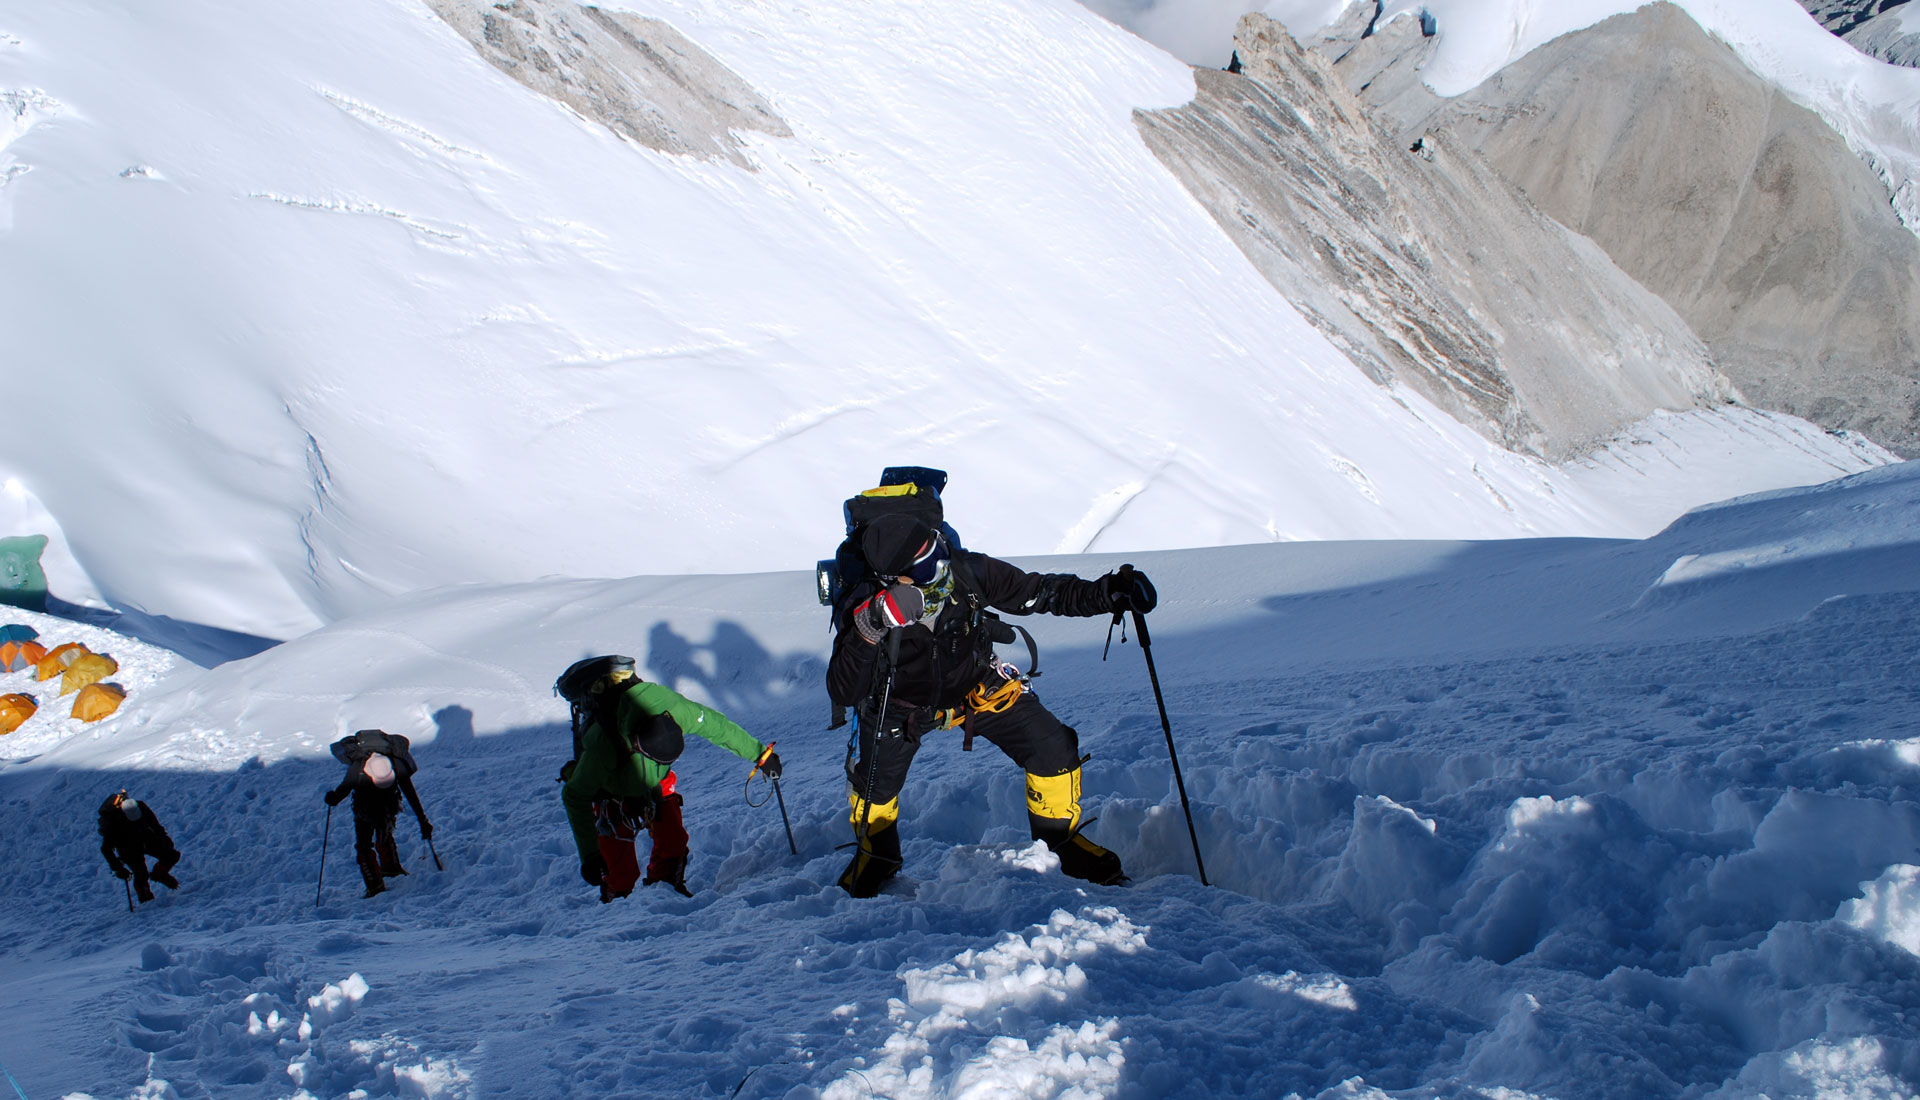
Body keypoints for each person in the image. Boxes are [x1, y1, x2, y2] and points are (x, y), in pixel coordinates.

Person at [828, 513, 1157, 896]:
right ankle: (877, 854)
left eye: (939, 549)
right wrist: (871, 626)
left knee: (1052, 747)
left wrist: (1107, 593)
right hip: (900, 706)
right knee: (875, 787)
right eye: (927, 564)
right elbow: (843, 690)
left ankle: (1061, 844)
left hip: (976, 685)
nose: (942, 565)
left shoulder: (966, 572)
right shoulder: (866, 605)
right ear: (895, 579)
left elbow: (1040, 592)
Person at [555, 655, 779, 903]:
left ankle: (665, 894)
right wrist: (590, 855)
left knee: (673, 844)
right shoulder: (603, 742)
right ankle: (617, 907)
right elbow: (574, 796)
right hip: (612, 793)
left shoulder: (674, 708)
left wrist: (761, 755)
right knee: (620, 873)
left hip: (655, 787)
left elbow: (717, 726)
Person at [324, 729, 432, 898]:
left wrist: (423, 821)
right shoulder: (359, 768)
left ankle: (375, 884)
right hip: (370, 805)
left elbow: (342, 791)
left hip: (377, 805)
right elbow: (345, 787)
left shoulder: (396, 765)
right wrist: (422, 820)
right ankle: (390, 869)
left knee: (365, 845)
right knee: (382, 832)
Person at [98, 790, 180, 903]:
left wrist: (164, 838)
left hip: (145, 838)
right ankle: (146, 898)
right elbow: (106, 848)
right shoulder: (114, 822)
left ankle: (159, 874)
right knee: (141, 873)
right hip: (127, 847)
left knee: (171, 855)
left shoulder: (141, 807)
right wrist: (118, 868)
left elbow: (155, 824)